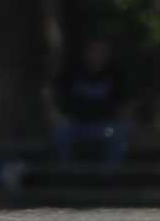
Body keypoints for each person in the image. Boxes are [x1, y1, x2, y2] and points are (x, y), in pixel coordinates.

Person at [54, 37, 130, 171]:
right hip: (76, 125)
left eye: (102, 51)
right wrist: (60, 116)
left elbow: (124, 104)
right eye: (94, 51)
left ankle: (110, 175)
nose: (98, 55)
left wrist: (120, 118)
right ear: (86, 53)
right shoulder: (72, 72)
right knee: (61, 131)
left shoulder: (116, 74)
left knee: (121, 132)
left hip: (105, 127)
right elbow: (58, 99)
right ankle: (66, 173)